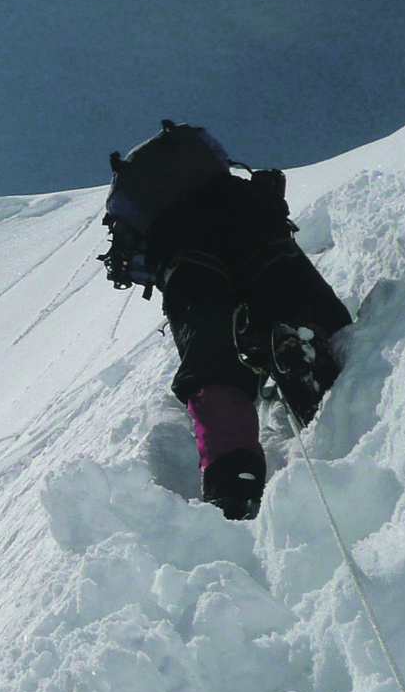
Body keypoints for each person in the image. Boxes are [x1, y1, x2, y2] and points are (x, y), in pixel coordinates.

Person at [100, 120, 352, 520]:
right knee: (298, 301)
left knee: (210, 356)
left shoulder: (153, 207)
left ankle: (233, 477)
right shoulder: (221, 180)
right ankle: (304, 343)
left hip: (182, 255)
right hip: (254, 222)